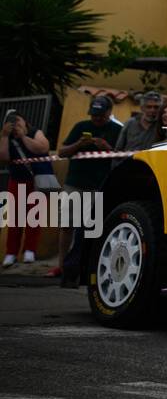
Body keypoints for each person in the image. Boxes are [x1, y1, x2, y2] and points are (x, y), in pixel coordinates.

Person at [56, 95, 123, 287]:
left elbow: (122, 157)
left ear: (109, 113)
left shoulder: (117, 130)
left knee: (91, 230)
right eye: (94, 115)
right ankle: (62, 267)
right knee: (68, 226)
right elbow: (61, 152)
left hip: (100, 186)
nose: (97, 119)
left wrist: (107, 148)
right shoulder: (80, 126)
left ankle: (85, 269)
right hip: (75, 182)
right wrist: (79, 145)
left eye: (101, 115)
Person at [1, 111, 51, 267]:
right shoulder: (6, 137)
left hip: (38, 179)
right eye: (11, 121)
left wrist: (23, 136)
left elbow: (43, 148)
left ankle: (30, 250)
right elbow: (3, 159)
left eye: (18, 121)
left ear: (25, 121)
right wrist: (4, 136)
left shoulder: (35, 132)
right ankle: (11, 253)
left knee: (34, 216)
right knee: (15, 218)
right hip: (17, 179)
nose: (15, 124)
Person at [116, 90, 164, 157]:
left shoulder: (162, 127)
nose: (152, 110)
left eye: (156, 107)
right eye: (149, 107)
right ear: (142, 108)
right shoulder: (130, 123)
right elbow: (118, 148)